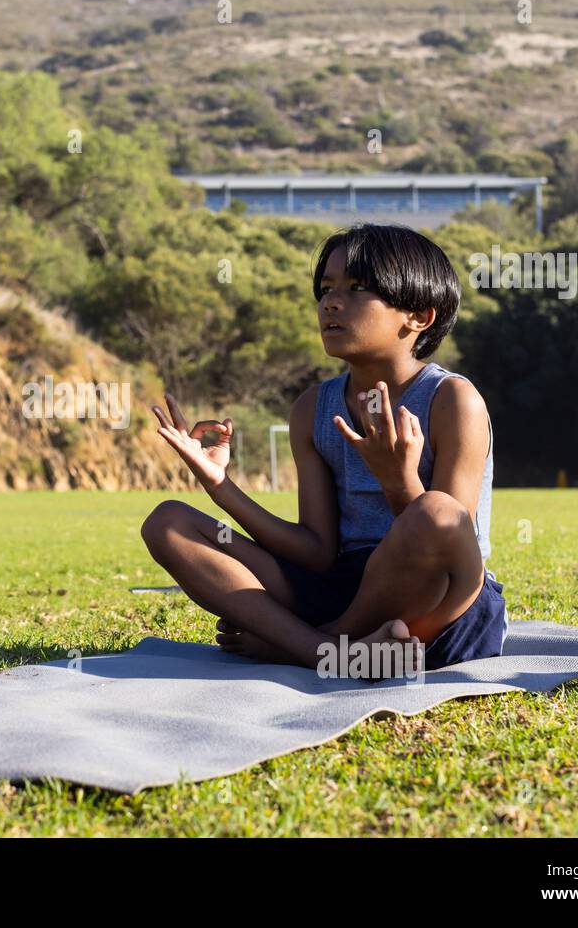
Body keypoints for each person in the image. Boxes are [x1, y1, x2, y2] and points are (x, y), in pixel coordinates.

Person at [141, 223, 505, 674]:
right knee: (168, 522)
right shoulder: (314, 408)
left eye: (356, 288)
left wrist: (399, 481)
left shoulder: (452, 400)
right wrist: (220, 485)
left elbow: (449, 541)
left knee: (433, 511)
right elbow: (316, 551)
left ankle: (311, 645)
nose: (331, 302)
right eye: (327, 288)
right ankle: (332, 651)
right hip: (341, 588)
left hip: (440, 608)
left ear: (419, 316)